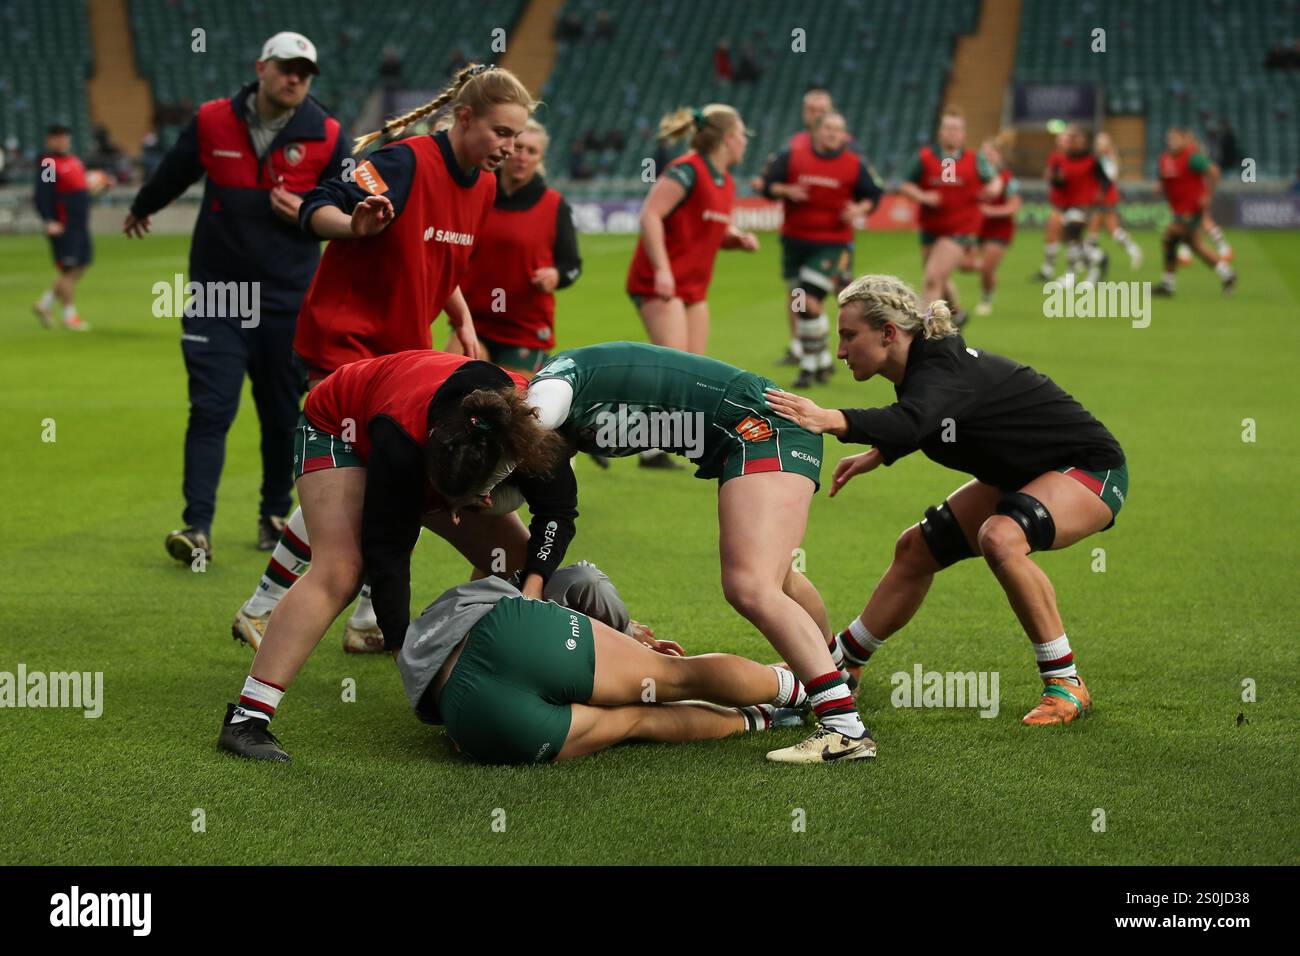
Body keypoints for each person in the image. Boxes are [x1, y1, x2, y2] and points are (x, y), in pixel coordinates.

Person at [232, 63, 533, 654]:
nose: (509, 147)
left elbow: (436, 257)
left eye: (516, 138)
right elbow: (316, 203)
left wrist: (462, 317)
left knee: (380, 479)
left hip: (403, 352)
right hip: (347, 339)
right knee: (370, 480)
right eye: (500, 133)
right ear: (464, 117)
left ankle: (334, 612)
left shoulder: (484, 185)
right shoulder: (404, 162)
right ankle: (292, 609)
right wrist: (353, 225)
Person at [764, 275, 1128, 726]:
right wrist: (881, 452)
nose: (840, 351)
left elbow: (917, 416)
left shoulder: (939, 367)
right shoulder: (925, 368)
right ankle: (843, 664)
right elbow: (934, 415)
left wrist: (831, 418)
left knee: (1000, 537)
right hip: (1023, 474)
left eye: (848, 335)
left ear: (889, 333)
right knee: (916, 548)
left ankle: (1066, 682)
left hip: (1090, 469)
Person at [521, 343, 878, 763]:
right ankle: (834, 675)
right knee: (777, 577)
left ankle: (844, 727)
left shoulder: (549, 402)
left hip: (761, 429)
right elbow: (554, 509)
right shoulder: (548, 409)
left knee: (750, 585)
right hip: (749, 432)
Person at [217, 349, 571, 761]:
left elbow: (558, 513)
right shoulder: (400, 440)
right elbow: (388, 554)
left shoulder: (531, 421)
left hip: (437, 439)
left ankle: (469, 677)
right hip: (340, 425)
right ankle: (247, 718)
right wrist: (404, 651)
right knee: (342, 570)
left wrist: (533, 585)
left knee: (511, 554)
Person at [124, 33, 347, 562]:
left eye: (304, 72)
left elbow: (346, 203)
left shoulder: (329, 133)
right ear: (261, 67)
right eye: (286, 68)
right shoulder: (211, 120)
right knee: (210, 409)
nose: (295, 79)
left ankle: (273, 512)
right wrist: (142, 205)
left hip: (288, 297)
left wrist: (306, 209)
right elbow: (175, 171)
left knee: (279, 413)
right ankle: (196, 526)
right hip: (218, 294)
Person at [393, 563, 807, 765]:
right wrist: (628, 639)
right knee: (676, 677)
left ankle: (762, 720)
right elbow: (584, 581)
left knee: (636, 721)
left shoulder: (425, 626)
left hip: (473, 720)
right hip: (507, 633)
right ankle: (810, 690)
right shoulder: (540, 577)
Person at [626, 104, 758, 357]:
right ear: (728, 139)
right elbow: (650, 215)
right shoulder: (687, 170)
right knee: (677, 370)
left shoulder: (726, 181)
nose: (745, 142)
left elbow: (707, 227)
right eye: (742, 135)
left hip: (694, 287)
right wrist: (662, 271)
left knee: (696, 372)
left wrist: (736, 238)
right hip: (662, 284)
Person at [761, 110, 882, 386]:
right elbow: (768, 185)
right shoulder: (793, 156)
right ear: (816, 131)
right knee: (802, 304)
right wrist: (786, 191)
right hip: (794, 244)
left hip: (832, 246)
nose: (832, 133)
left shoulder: (853, 165)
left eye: (838, 129)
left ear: (844, 135)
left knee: (806, 302)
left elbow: (873, 194)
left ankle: (807, 366)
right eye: (828, 128)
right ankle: (822, 363)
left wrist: (859, 208)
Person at [452, 120, 581, 377]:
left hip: (524, 328)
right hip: (473, 320)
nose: (522, 157)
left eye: (532, 151)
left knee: (511, 408)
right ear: (506, 149)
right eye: (518, 148)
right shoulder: (478, 192)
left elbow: (572, 266)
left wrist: (556, 275)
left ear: (540, 158)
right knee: (455, 394)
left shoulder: (554, 205)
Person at [898, 108, 996, 326]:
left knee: (933, 278)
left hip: (960, 229)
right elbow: (905, 185)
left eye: (957, 129)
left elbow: (995, 180)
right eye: (948, 128)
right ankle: (958, 315)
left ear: (963, 134)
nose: (952, 133)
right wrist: (922, 195)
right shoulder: (924, 157)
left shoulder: (974, 158)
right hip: (930, 228)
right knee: (939, 276)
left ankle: (925, 331)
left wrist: (993, 190)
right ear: (940, 132)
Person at [1154, 128, 1236, 297]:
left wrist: (1207, 195)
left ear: (1184, 140)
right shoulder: (1165, 159)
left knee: (1170, 237)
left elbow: (1214, 172)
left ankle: (1167, 285)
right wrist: (1160, 186)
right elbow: (1164, 177)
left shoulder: (1192, 157)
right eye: (1170, 138)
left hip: (1192, 209)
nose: (1172, 141)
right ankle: (1227, 274)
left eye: (1176, 138)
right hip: (1178, 209)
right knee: (1196, 247)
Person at [32, 123, 93, 332]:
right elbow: (43, 193)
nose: (62, 141)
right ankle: (69, 315)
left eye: (65, 137)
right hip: (63, 224)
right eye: (58, 137)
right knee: (68, 269)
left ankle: (45, 303)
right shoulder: (49, 162)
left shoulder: (73, 161)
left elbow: (80, 190)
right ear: (50, 140)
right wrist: (49, 220)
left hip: (79, 223)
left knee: (80, 265)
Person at [960, 132, 1021, 317]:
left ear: (998, 156)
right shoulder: (974, 176)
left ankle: (986, 298)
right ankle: (989, 273)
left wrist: (991, 212)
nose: (986, 157)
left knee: (987, 268)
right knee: (964, 265)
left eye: (990, 153)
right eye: (983, 153)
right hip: (977, 228)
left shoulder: (1007, 178)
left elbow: (1014, 206)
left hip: (999, 230)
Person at [1050, 124, 1111, 286]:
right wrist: (1058, 179)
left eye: (1078, 139)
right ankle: (1097, 258)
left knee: (1071, 232)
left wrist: (1101, 193)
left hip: (1086, 205)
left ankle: (1072, 275)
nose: (1074, 142)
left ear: (1084, 141)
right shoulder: (1061, 160)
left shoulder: (1092, 160)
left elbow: (1105, 181)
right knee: (1072, 240)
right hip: (1067, 204)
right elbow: (1056, 183)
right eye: (1072, 139)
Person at [1087, 131, 1142, 270]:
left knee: (1099, 229)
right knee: (1108, 230)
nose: (1098, 146)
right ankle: (1133, 251)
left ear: (1108, 145)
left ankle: (1090, 259)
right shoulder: (1102, 158)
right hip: (1102, 197)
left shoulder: (1108, 158)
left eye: (1101, 143)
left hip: (1105, 197)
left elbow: (1111, 177)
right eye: (1098, 143)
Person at [1033, 129, 1071, 281]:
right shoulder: (1055, 157)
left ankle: (1051, 270)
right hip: (1059, 204)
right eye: (1059, 139)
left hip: (1071, 205)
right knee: (1054, 235)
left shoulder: (1074, 159)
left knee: (1064, 237)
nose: (1060, 142)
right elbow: (1048, 176)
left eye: (1064, 139)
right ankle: (1048, 270)